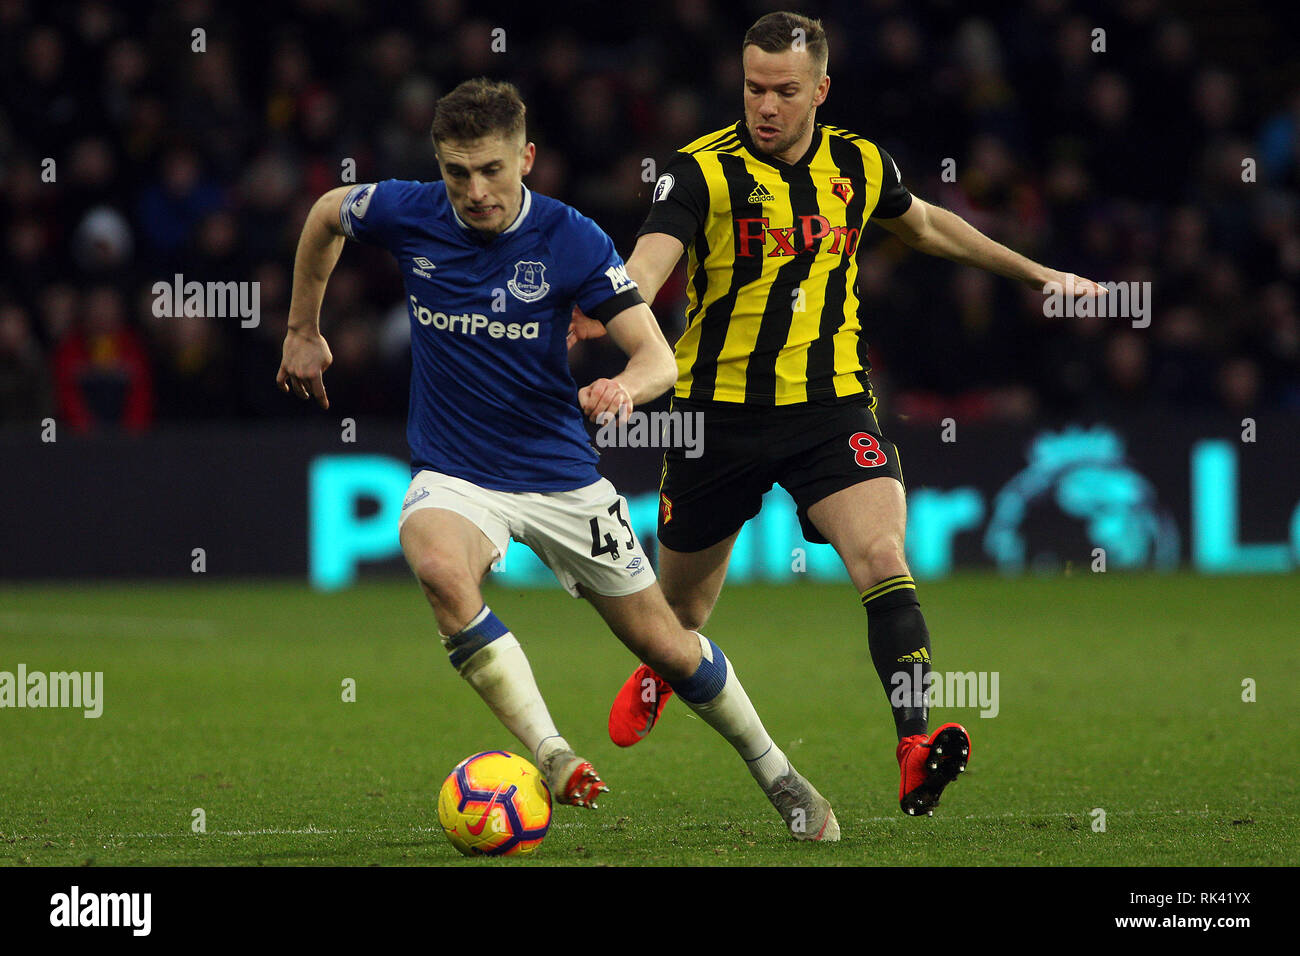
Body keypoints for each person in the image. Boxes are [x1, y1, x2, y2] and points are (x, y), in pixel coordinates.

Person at [277, 78, 840, 840]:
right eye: (456, 172)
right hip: (456, 472)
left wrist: (621, 388)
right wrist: (303, 329)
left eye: (492, 171)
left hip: (560, 477)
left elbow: (658, 358)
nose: (474, 192)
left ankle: (780, 775)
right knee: (438, 566)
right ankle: (550, 756)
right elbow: (324, 213)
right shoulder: (409, 211)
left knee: (663, 644)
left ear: (527, 159)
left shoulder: (570, 238)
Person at [588, 12, 1104, 816]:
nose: (766, 105)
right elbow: (648, 264)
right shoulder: (698, 173)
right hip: (713, 418)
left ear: (820, 89)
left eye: (785, 91)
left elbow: (926, 224)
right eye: (755, 88)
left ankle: (912, 743)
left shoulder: (860, 164)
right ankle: (662, 664)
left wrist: (1038, 273)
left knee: (883, 557)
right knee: (681, 612)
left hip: (829, 409)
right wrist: (614, 307)